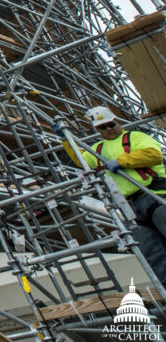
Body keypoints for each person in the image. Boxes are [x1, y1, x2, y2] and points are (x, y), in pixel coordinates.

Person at [66, 106, 166, 287]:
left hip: (154, 196)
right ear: (97, 130)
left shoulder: (135, 137)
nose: (108, 129)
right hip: (129, 207)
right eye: (102, 127)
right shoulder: (97, 149)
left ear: (117, 122)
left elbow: (153, 155)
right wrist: (66, 140)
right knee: (154, 255)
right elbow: (81, 161)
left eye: (111, 124)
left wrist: (121, 161)